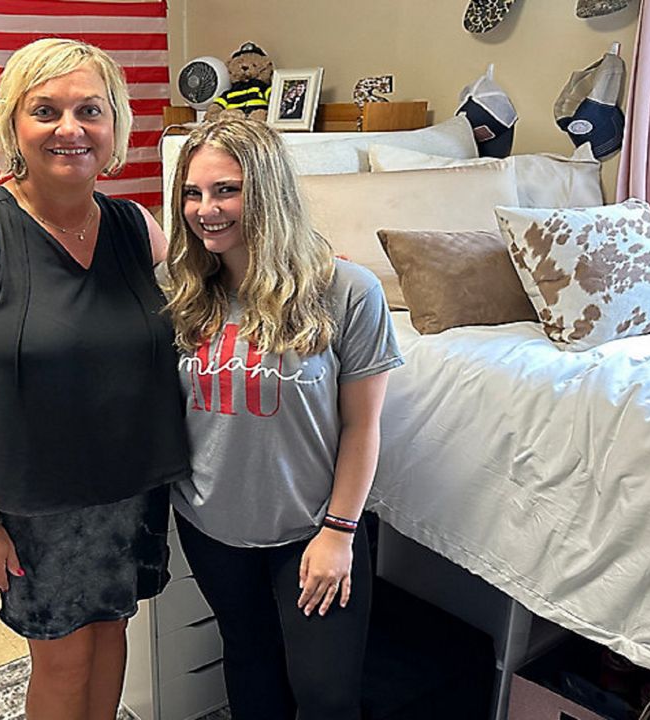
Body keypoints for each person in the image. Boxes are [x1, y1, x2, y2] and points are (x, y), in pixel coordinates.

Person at [0, 38, 189, 720]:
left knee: (114, 631)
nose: (70, 129)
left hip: (133, 484)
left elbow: (207, 301)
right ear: (14, 126)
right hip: (40, 500)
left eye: (89, 110)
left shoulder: (134, 225)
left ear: (115, 126)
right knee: (62, 659)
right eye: (46, 111)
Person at [160, 116, 404, 720]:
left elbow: (363, 427)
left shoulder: (348, 290)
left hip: (316, 531)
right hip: (211, 526)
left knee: (325, 694)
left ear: (267, 191)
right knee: (248, 664)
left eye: (226, 190)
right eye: (192, 193)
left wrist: (340, 532)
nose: (206, 209)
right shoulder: (179, 291)